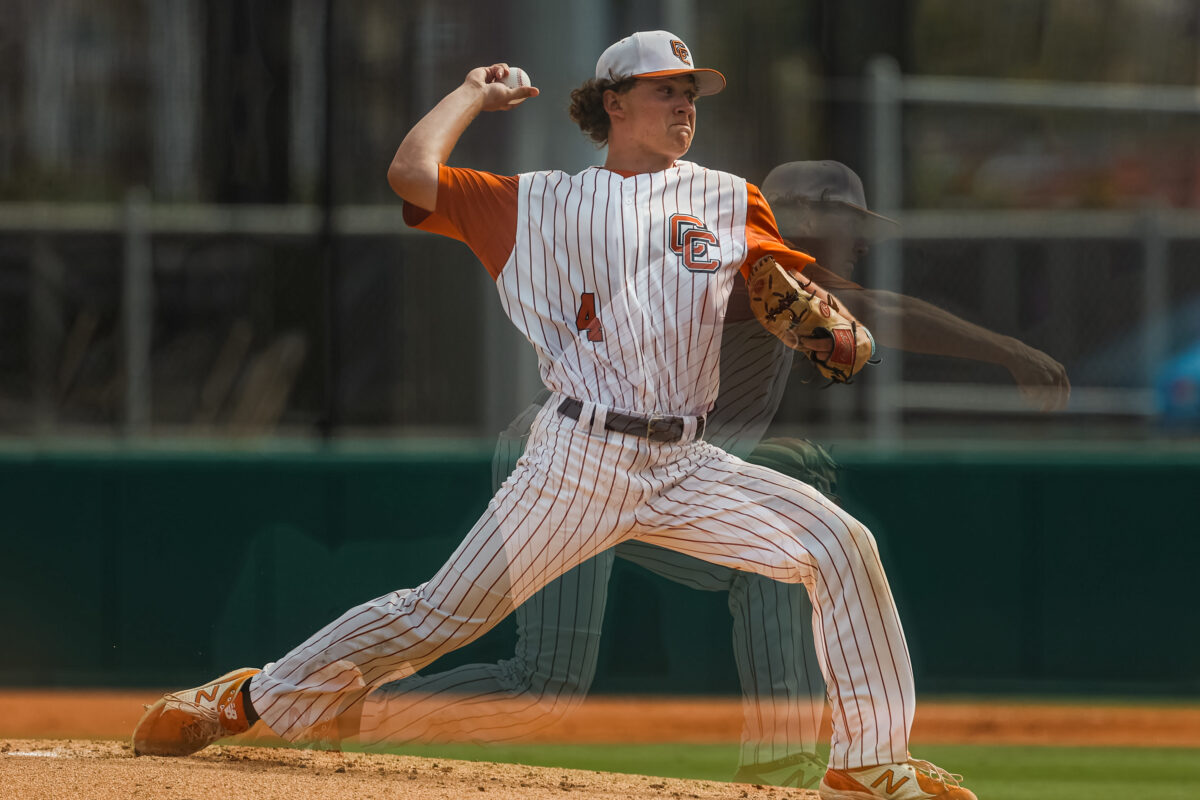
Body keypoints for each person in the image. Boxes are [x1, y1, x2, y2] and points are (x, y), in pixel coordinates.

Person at [133, 31, 977, 800]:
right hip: (577, 461)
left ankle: (867, 763)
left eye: (691, 93)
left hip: (688, 462)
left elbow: (781, 289)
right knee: (437, 618)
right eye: (664, 91)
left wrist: (821, 317)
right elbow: (410, 175)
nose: (685, 105)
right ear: (613, 103)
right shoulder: (536, 202)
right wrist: (471, 92)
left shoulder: (730, 197)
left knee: (840, 546)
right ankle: (248, 697)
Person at [345, 161, 1069, 790]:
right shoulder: (724, 260)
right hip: (572, 465)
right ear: (805, 212)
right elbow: (874, 312)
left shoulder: (772, 273)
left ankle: (781, 773)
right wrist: (1007, 350)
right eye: (846, 219)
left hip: (665, 473)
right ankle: (348, 713)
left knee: (793, 558)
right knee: (543, 689)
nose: (859, 236)